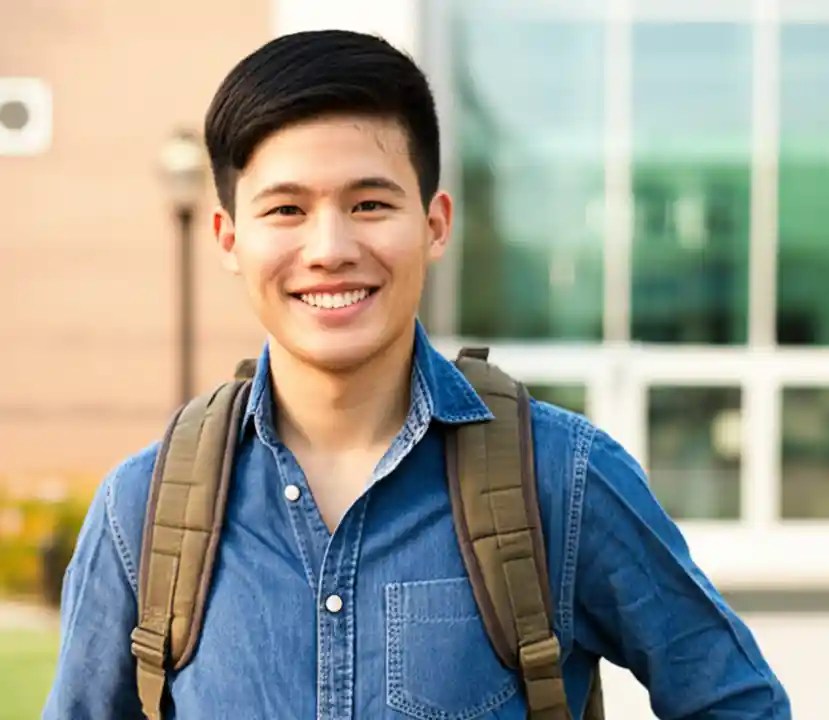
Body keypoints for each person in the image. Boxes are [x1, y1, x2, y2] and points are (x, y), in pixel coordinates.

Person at [42, 29, 790, 719]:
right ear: (230, 237)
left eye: (369, 203)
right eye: (286, 210)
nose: (330, 248)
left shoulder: (563, 479)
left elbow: (737, 703)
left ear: (434, 225)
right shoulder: (142, 511)